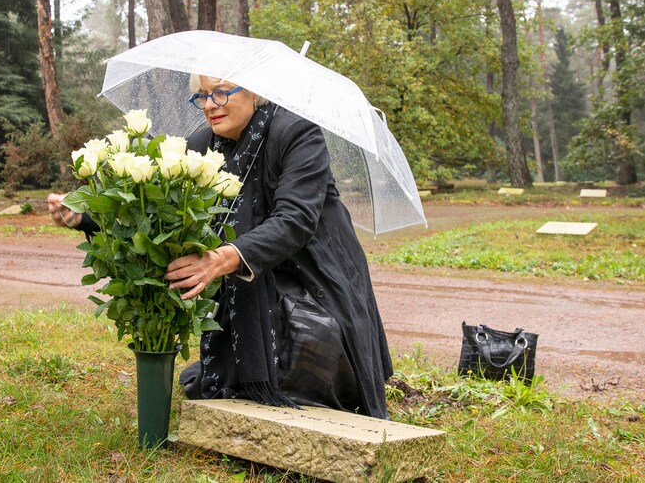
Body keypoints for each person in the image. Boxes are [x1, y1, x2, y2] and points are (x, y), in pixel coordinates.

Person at [48, 76, 393, 418]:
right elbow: (157, 212)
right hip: (251, 275)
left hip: (314, 272)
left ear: (254, 91)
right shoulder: (202, 143)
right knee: (236, 380)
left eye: (221, 92)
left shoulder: (298, 133)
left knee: (310, 354)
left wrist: (224, 257)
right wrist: (85, 217)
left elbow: (295, 219)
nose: (210, 105)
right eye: (201, 96)